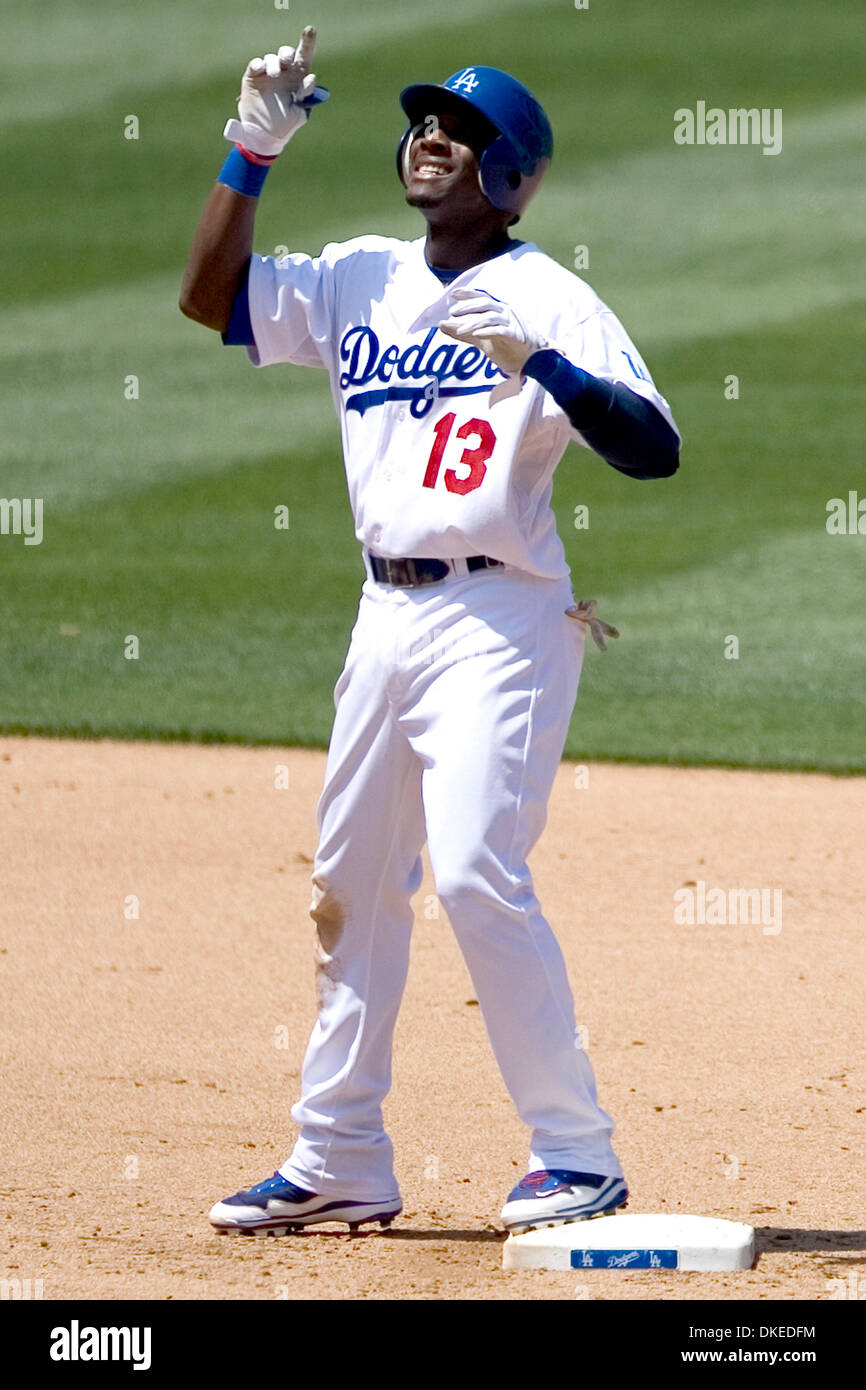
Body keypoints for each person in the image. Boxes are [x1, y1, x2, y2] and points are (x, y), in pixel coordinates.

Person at [180, 27, 681, 1237]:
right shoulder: (358, 275)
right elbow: (209, 300)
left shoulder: (550, 291)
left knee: (470, 868)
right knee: (349, 884)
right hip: (382, 615)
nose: (429, 138)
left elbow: (652, 447)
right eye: (420, 122)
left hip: (501, 616)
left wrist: (545, 364)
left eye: (458, 130)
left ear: (507, 172)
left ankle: (576, 1153)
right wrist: (249, 151)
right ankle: (338, 1153)